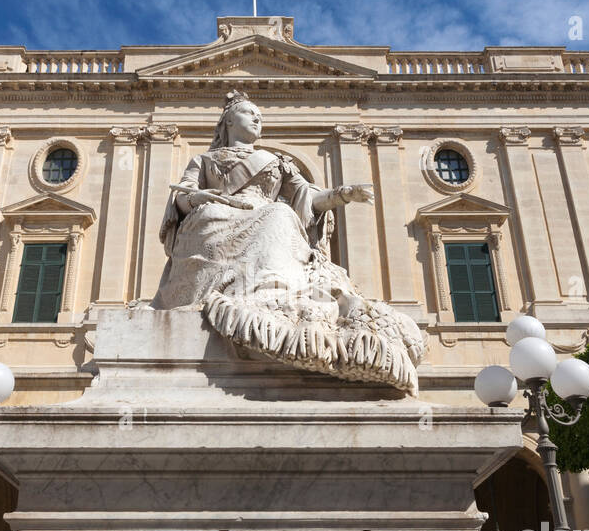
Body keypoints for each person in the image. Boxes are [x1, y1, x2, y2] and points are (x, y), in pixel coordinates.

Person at [152, 90, 425, 393]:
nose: (257, 118)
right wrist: (196, 197)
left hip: (266, 217)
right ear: (229, 121)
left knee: (280, 213)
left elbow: (307, 197)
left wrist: (343, 194)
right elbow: (181, 197)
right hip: (215, 217)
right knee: (222, 212)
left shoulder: (275, 162)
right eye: (249, 112)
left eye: (260, 115)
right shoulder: (203, 159)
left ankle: (270, 293)